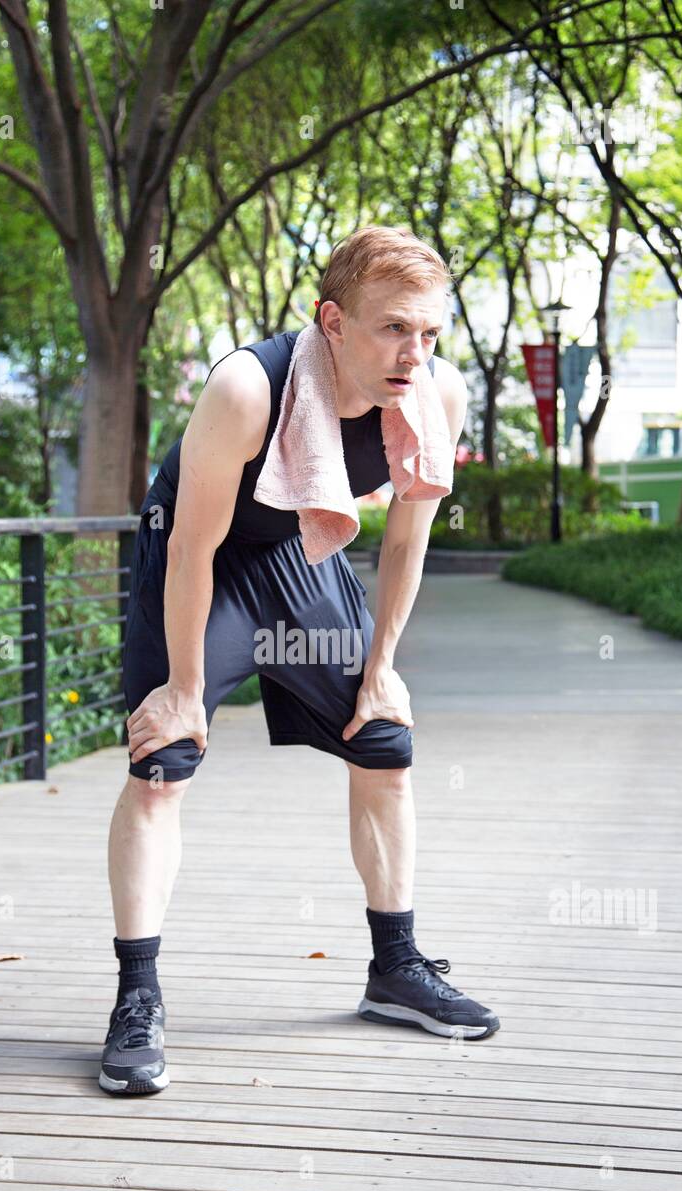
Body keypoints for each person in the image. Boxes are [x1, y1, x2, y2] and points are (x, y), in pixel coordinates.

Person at [100, 225, 500, 1096]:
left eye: (429, 332)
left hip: (297, 555)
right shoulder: (248, 388)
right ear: (333, 322)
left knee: (382, 739)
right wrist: (183, 689)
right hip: (200, 559)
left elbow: (405, 541)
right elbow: (193, 549)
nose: (414, 353)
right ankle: (138, 995)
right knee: (162, 763)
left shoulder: (438, 393)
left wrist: (384, 664)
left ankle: (395, 969)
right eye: (394, 328)